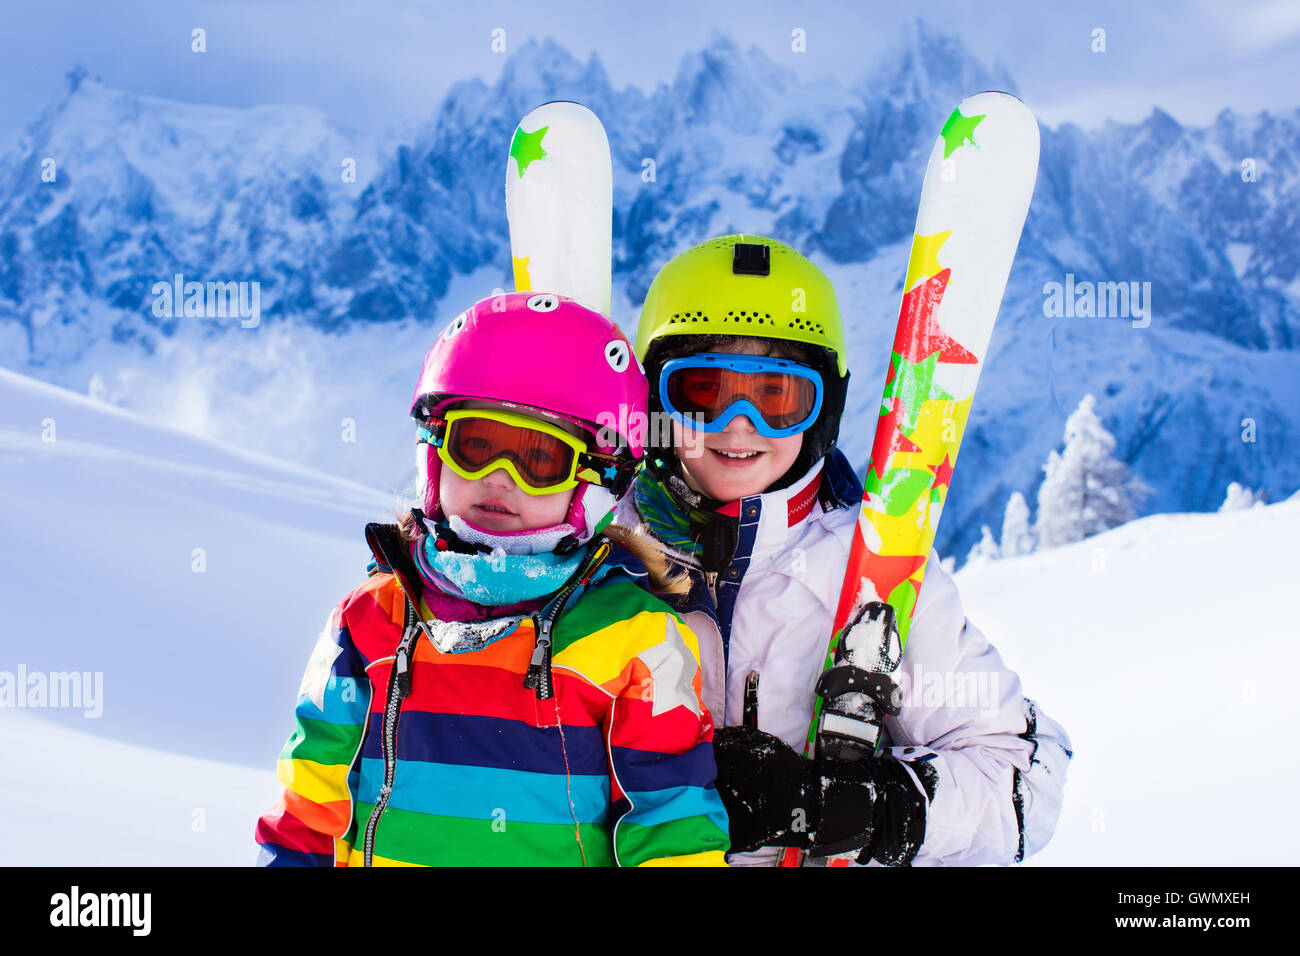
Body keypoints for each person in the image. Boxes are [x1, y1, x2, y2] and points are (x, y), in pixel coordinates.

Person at [615, 233, 1072, 866]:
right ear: (652, 398)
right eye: (705, 393)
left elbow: (1026, 781)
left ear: (820, 409)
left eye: (777, 396)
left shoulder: (875, 574)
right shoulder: (602, 553)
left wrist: (855, 808)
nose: (740, 424)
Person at [254, 291, 730, 866]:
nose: (500, 480)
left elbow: (672, 821)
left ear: (593, 479)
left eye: (539, 459)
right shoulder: (371, 618)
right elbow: (308, 810)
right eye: (475, 446)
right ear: (435, 455)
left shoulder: (635, 639)